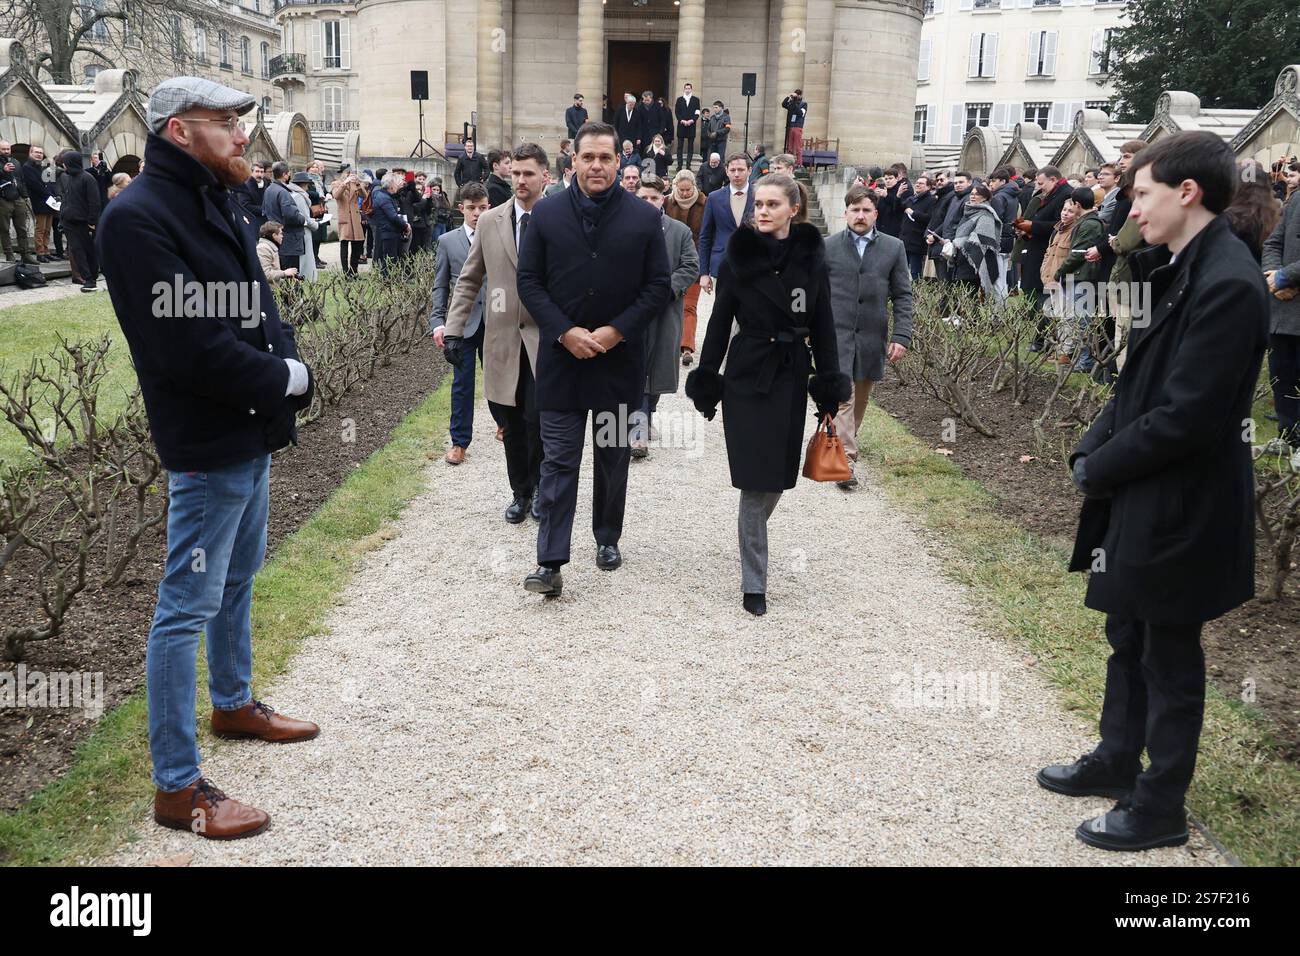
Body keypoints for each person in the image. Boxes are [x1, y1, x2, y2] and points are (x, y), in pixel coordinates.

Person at [97, 76, 318, 840]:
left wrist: (290, 372)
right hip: (205, 440)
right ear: (178, 131)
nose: (239, 135)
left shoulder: (215, 197)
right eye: (223, 122)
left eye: (238, 121)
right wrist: (283, 380)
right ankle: (177, 788)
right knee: (183, 608)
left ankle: (233, 704)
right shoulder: (137, 219)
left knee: (237, 580)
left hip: (250, 429)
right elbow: (187, 345)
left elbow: (257, 305)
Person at [1042, 131, 1269, 852]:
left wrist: (1103, 466)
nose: (1131, 209)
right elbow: (1135, 386)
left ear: (1187, 192)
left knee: (1169, 652)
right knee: (1127, 631)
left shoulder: (1228, 282)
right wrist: (1092, 445)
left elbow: (1189, 416)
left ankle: (1160, 804)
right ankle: (1116, 758)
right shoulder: (1170, 268)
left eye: (1141, 194)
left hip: (1184, 502)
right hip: (1144, 490)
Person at [515, 121, 672, 597]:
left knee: (612, 457)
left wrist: (615, 330)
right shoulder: (546, 214)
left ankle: (607, 537)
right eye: (589, 158)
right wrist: (563, 331)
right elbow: (529, 283)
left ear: (618, 162)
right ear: (573, 161)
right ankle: (550, 562)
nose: (597, 166)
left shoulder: (644, 220)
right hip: (562, 364)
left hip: (618, 364)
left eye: (606, 158)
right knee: (559, 462)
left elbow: (657, 287)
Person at [684, 173, 847, 617]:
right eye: (758, 203)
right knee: (755, 481)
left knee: (777, 478)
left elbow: (824, 327)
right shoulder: (737, 258)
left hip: (790, 376)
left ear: (793, 208)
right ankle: (754, 581)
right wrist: (707, 379)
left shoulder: (812, 259)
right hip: (746, 376)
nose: (761, 211)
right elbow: (718, 326)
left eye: (772, 204)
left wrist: (829, 386)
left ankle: (749, 537)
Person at [443, 153, 546, 522]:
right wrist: (454, 330)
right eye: (515, 172)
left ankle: (540, 489)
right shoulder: (490, 221)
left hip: (545, 341)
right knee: (512, 422)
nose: (520, 179)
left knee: (540, 421)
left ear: (544, 176)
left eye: (528, 173)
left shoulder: (559, 217)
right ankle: (520, 492)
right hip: (502, 341)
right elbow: (470, 278)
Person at [825, 185, 912, 490]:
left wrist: (902, 335)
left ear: (875, 214)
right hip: (835, 337)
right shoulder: (828, 247)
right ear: (845, 212)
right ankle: (845, 463)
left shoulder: (893, 248)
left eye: (866, 211)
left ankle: (840, 441)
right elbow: (815, 294)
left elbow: (903, 295)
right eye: (855, 210)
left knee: (859, 401)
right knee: (843, 400)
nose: (860, 216)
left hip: (872, 338)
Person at [630, 175, 699, 459]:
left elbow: (690, 265)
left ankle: (649, 412)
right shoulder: (622, 228)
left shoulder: (679, 231)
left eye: (654, 198)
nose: (648, 203)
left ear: (664, 198)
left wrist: (665, 289)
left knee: (658, 368)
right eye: (643, 198)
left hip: (666, 310)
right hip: (632, 310)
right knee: (635, 368)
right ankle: (638, 432)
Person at [430, 181, 491, 465]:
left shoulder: (500, 236)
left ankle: (505, 423)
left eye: (482, 208)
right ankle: (459, 442)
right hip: (463, 322)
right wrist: (438, 321)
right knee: (462, 384)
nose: (477, 214)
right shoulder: (447, 242)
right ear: (461, 209)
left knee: (500, 378)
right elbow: (440, 286)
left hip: (496, 320)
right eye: (471, 209)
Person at [1263, 166, 1300, 465]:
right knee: (1282, 375)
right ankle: (1288, 436)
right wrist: (1273, 277)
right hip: (1284, 307)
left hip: (1290, 289)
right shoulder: (1296, 200)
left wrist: (1287, 276)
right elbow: (1273, 242)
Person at [1012, 165, 1070, 350]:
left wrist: (1033, 226)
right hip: (1037, 248)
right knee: (1035, 295)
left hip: (1049, 252)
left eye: (1041, 183)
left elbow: (1060, 223)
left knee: (1044, 297)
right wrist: (1027, 228)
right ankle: (1041, 338)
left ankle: (1043, 340)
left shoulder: (1065, 194)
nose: (1038, 187)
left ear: (1053, 180)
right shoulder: (1053, 193)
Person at [1049, 187, 1105, 371]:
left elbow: (1078, 254)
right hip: (1078, 276)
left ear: (1077, 204)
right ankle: (1081, 360)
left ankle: (1085, 362)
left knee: (1083, 321)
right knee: (1078, 320)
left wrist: (1059, 272)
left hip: (1083, 277)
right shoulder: (1086, 222)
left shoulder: (1090, 224)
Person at [697, 152, 755, 295]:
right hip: (721, 266)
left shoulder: (759, 196)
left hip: (753, 266)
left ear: (749, 170)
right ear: (726, 171)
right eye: (732, 170)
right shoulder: (714, 198)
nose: (736, 174)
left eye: (741, 170)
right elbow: (705, 236)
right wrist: (703, 273)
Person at [665, 168, 706, 364]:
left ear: (694, 187)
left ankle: (686, 347)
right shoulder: (666, 202)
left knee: (689, 307)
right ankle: (669, 344)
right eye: (680, 190)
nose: (684, 193)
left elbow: (707, 237)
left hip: (693, 262)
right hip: (669, 262)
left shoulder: (705, 204)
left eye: (687, 190)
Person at [947, 182, 1004, 303]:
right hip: (961, 259)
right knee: (962, 295)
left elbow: (982, 241)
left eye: (977, 194)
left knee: (970, 296)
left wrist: (959, 243)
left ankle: (972, 321)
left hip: (975, 260)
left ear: (985, 197)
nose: (972, 196)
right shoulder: (968, 211)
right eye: (972, 194)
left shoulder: (986, 214)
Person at [56, 149, 102, 291]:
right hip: (70, 222)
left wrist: (92, 222)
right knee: (77, 251)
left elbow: (94, 202)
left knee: (88, 251)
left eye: (65, 163)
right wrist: (62, 216)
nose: (63, 166)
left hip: (84, 223)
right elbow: (66, 199)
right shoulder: (68, 178)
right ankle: (88, 279)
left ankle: (92, 277)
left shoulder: (87, 178)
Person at [262, 161, 306, 272]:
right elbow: (290, 214)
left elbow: (264, 211)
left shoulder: (269, 189)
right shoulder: (283, 192)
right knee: (291, 273)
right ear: (285, 175)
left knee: (281, 270)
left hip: (278, 235)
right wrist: (302, 219)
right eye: (288, 174)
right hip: (289, 237)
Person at [0, 139, 38, 266]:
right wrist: (3, 171)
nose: (6, 151)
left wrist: (25, 196)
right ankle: (9, 255)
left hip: (18, 198)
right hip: (3, 199)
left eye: (7, 149)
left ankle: (25, 254)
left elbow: (21, 180)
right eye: (3, 149)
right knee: (4, 229)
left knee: (22, 228)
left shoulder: (15, 162)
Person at [369, 170, 410, 271]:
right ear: (391, 185)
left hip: (388, 232)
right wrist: (405, 226)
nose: (398, 185)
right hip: (387, 233)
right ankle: (387, 285)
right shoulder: (384, 197)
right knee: (389, 263)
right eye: (396, 183)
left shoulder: (385, 195)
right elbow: (393, 216)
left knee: (389, 262)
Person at [899, 174, 935, 280]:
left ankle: (917, 293)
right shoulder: (912, 199)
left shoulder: (931, 200)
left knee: (915, 271)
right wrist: (898, 195)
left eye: (921, 183)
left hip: (917, 240)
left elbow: (930, 218)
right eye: (917, 183)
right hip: (905, 239)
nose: (918, 185)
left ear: (928, 187)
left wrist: (914, 213)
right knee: (902, 270)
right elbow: (899, 208)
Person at [331, 168, 366, 275]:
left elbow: (364, 196)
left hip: (355, 218)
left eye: (352, 174)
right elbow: (336, 196)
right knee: (344, 244)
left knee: (357, 244)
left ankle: (354, 271)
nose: (350, 176)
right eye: (349, 174)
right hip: (345, 217)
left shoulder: (355, 184)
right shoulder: (336, 183)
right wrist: (344, 183)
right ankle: (345, 272)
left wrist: (359, 184)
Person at [286, 171, 319, 280]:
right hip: (303, 230)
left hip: (298, 229)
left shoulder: (292, 193)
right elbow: (305, 217)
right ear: (304, 184)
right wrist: (316, 224)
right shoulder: (299, 196)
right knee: (306, 259)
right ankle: (307, 278)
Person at [675, 82, 700, 170]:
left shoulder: (696, 100)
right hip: (681, 126)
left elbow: (697, 112)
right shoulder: (679, 100)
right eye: (686, 88)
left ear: (691, 89)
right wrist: (682, 120)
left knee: (690, 146)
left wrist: (692, 120)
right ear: (684, 89)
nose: (687, 90)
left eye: (689, 88)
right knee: (679, 147)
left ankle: (688, 165)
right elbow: (677, 112)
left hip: (691, 126)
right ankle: (679, 165)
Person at [781, 89, 808, 167]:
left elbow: (800, 113)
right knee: (789, 147)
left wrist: (794, 101)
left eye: (799, 94)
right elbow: (784, 104)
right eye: (797, 94)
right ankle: (789, 162)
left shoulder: (804, 104)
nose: (798, 96)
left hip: (798, 127)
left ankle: (799, 163)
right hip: (791, 126)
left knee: (798, 147)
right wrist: (789, 97)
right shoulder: (792, 103)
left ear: (801, 95)